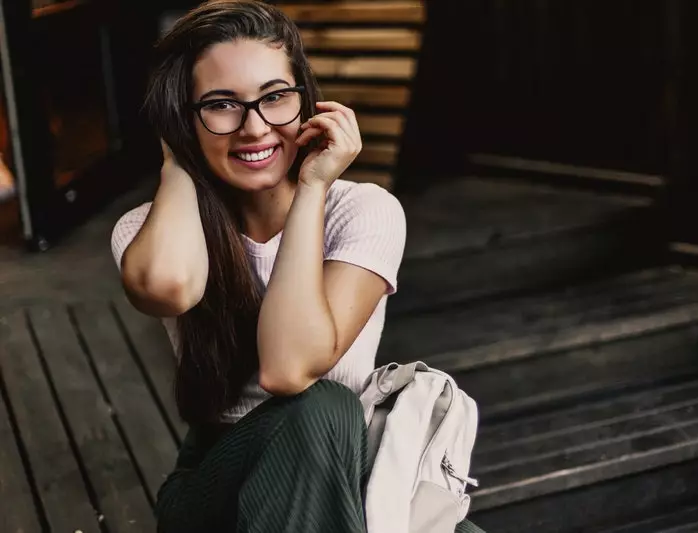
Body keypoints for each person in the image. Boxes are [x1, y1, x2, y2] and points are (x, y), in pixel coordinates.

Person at [110, 1, 485, 531]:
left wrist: (312, 188)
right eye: (221, 105)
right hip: (215, 485)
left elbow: (292, 364)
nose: (254, 127)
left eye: (274, 98)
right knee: (323, 404)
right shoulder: (149, 228)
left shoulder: (363, 210)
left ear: (305, 101)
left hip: (345, 467)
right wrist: (177, 161)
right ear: (182, 117)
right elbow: (182, 297)